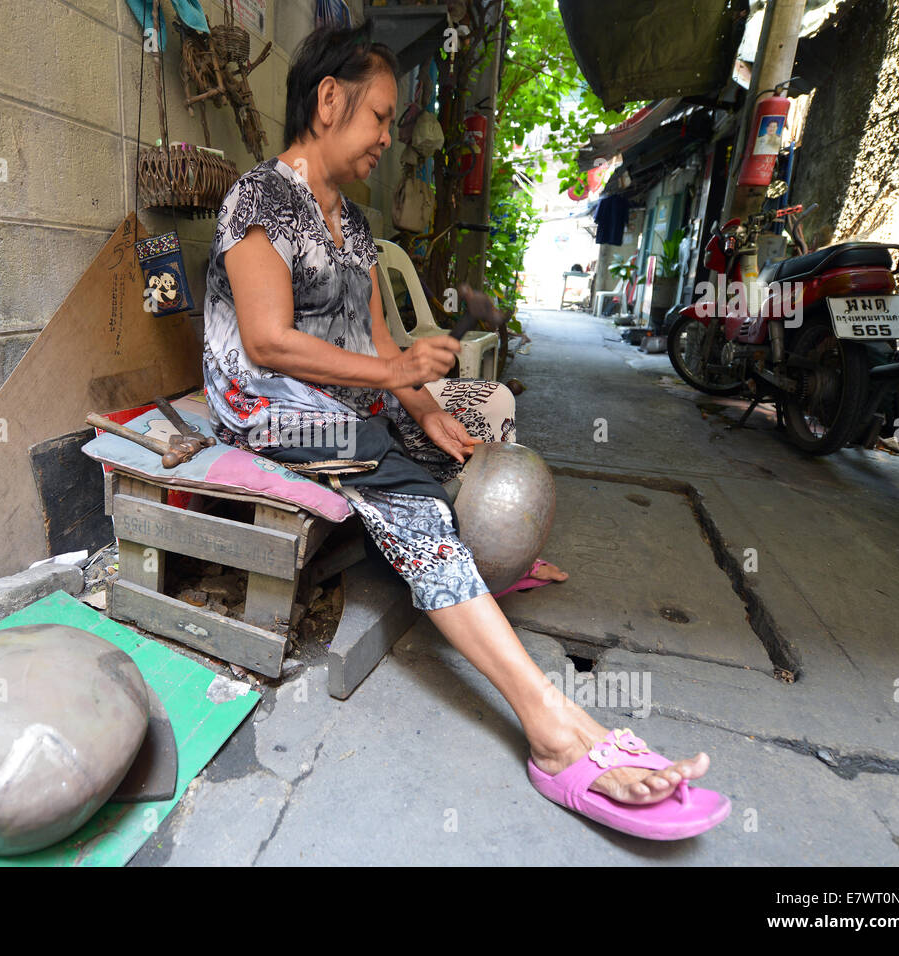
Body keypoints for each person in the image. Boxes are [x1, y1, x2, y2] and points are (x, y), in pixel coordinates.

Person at [201, 22, 728, 839]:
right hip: (265, 405)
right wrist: (395, 385)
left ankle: (482, 550)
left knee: (486, 414)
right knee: (402, 485)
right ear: (328, 101)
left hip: (344, 398)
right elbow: (269, 340)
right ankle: (556, 731)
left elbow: (378, 342)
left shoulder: (355, 224)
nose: (386, 134)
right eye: (378, 115)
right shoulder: (260, 198)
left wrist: (433, 407)